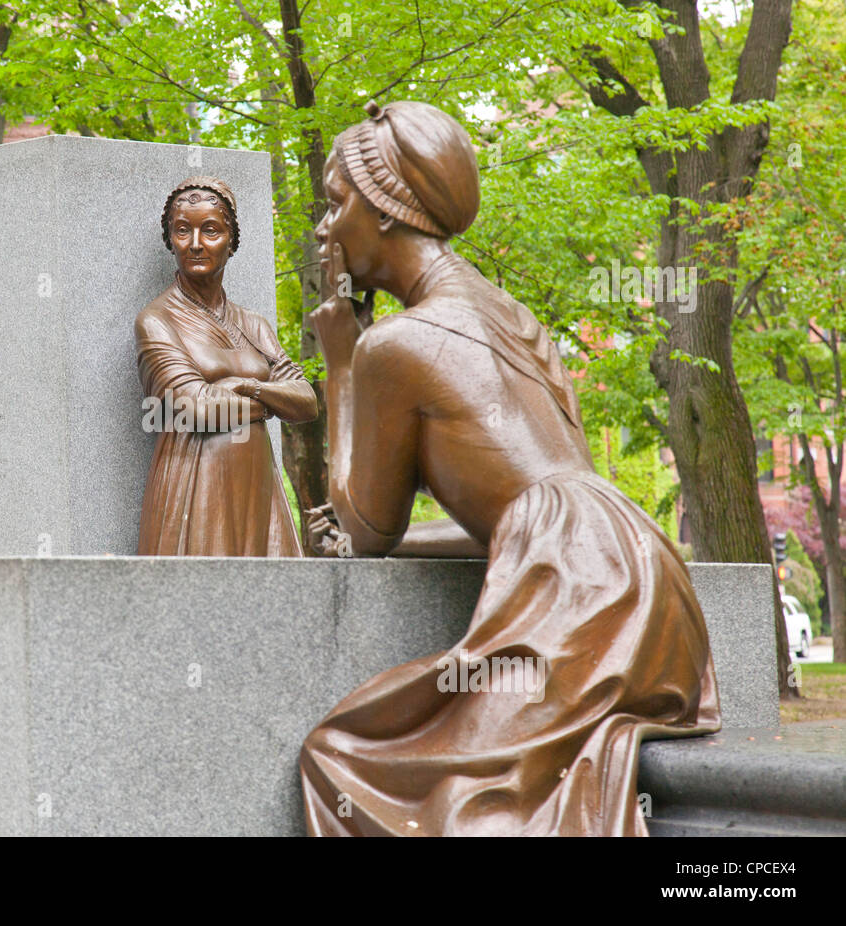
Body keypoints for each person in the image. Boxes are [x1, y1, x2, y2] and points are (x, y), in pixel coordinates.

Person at [299, 101, 720, 836]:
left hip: (579, 594)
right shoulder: (518, 318)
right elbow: (522, 516)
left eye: (336, 204)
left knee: (346, 758)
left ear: (389, 209)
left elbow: (366, 530)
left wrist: (339, 361)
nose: (325, 230)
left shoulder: (391, 346)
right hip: (640, 568)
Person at [134, 177, 317, 556]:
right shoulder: (157, 320)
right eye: (183, 231)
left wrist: (249, 388)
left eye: (211, 230)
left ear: (232, 242)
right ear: (170, 241)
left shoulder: (253, 324)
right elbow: (193, 408)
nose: (196, 244)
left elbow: (306, 403)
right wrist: (271, 405)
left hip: (259, 483)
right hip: (194, 481)